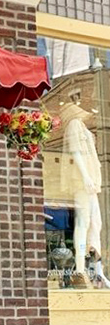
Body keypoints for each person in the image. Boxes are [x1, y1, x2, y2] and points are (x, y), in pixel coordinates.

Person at [60, 102, 110, 288]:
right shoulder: (74, 124)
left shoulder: (80, 125)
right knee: (83, 222)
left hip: (90, 183)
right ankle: (80, 269)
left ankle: (98, 271)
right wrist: (86, 176)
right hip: (83, 182)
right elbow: (76, 153)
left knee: (95, 223)